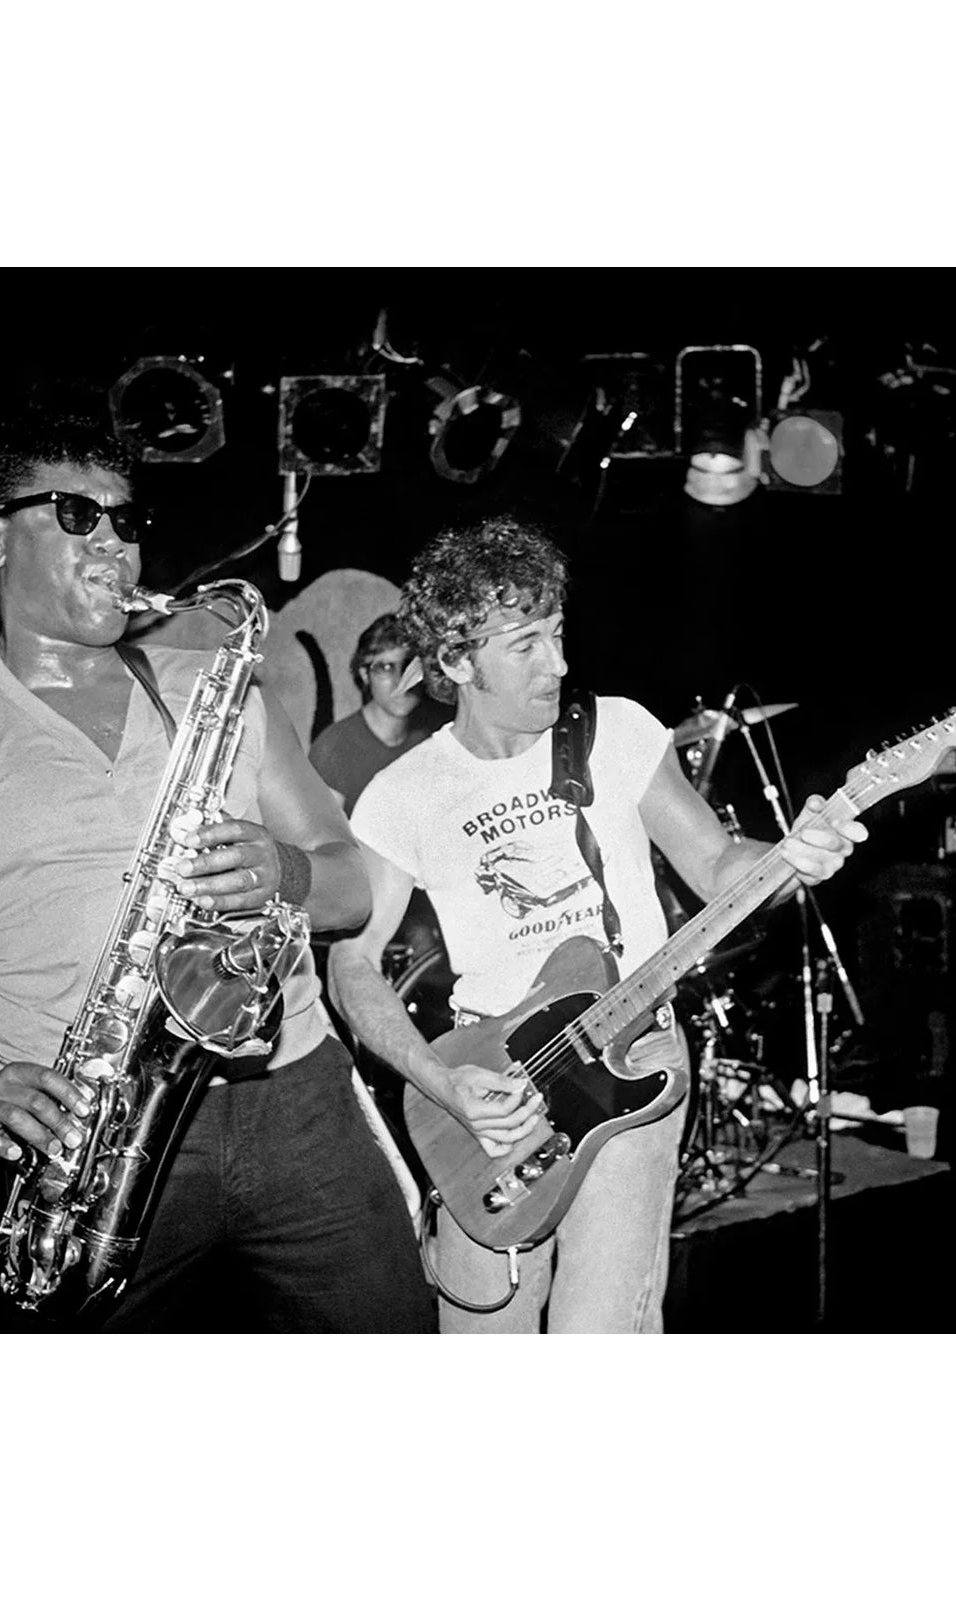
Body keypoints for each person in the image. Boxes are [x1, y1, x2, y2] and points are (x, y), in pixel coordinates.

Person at [0, 407, 434, 1333]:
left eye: (126, 521)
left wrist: (282, 870)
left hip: (299, 1106)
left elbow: (351, 887)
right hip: (94, 1141)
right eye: (75, 516)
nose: (112, 544)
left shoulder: (221, 690)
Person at [326, 516, 867, 1334]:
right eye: (525, 645)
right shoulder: (405, 793)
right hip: (494, 1082)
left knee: (601, 1336)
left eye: (559, 633)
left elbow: (720, 868)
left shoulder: (615, 731)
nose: (560, 664)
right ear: (454, 662)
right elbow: (353, 966)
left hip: (631, 1053)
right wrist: (445, 1085)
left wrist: (794, 858)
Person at [308, 613, 444, 816]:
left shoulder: (431, 738)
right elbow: (324, 838)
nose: (400, 681)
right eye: (386, 668)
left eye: (408, 667)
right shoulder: (334, 748)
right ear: (365, 675)